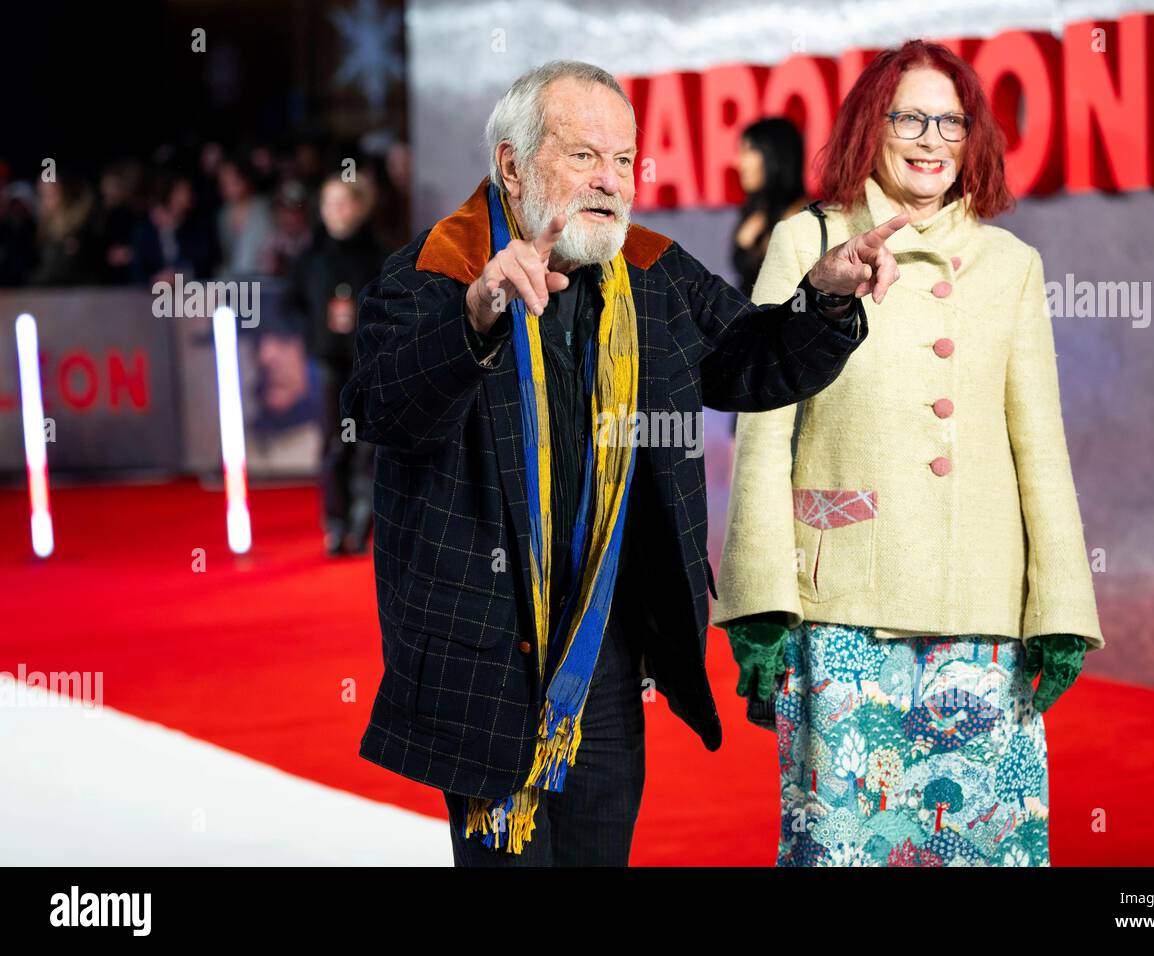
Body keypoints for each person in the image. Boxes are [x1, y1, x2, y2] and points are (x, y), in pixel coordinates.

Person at [342, 59, 907, 866]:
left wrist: (824, 295)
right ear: (510, 164)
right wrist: (476, 316)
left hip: (605, 663)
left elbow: (747, 361)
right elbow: (383, 409)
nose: (610, 181)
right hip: (486, 656)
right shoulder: (438, 269)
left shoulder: (650, 271)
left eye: (623, 160)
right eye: (582, 157)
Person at [713, 39, 1105, 867]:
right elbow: (764, 435)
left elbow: (1041, 449)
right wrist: (758, 600)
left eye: (952, 122)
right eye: (910, 118)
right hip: (843, 613)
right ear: (870, 125)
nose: (932, 139)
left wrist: (1061, 609)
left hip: (983, 625)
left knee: (981, 850)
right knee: (845, 847)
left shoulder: (1011, 266)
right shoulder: (804, 241)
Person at [284, 178, 387, 555]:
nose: (337, 212)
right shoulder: (310, 258)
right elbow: (292, 305)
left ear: (359, 207)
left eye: (344, 203)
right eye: (330, 204)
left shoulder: (379, 255)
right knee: (333, 446)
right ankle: (335, 525)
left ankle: (362, 526)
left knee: (366, 449)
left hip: (367, 366)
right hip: (327, 365)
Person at [731, 117, 809, 299]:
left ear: (774, 154)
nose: (739, 163)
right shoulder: (755, 212)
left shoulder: (802, 218)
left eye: (748, 151)